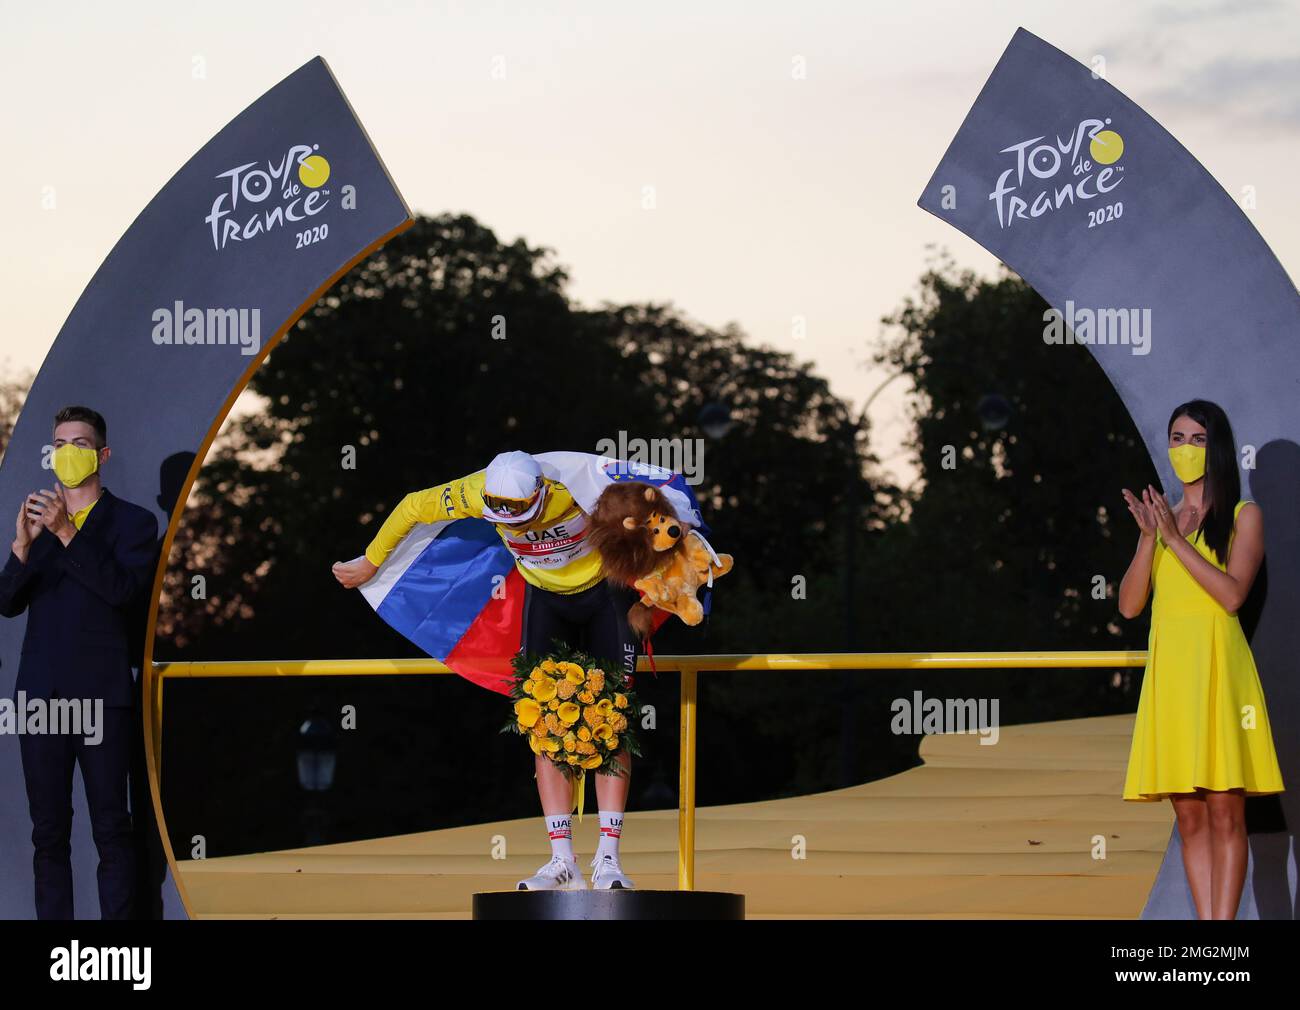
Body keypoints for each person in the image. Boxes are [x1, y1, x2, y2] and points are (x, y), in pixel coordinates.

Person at [333, 450, 691, 891]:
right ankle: (562, 861)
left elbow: (660, 486)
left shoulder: (576, 481)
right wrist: (371, 561)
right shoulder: (474, 491)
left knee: (611, 720)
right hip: (544, 599)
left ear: (540, 492)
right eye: (501, 512)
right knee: (543, 723)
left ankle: (609, 859)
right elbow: (411, 506)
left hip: (605, 595)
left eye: (520, 512)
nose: (512, 521)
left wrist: (690, 535)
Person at [1118, 399, 1284, 920]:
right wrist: (1150, 539)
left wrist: (1174, 539)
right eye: (1176, 438)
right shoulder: (1161, 519)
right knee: (1188, 820)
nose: (1184, 449)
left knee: (1225, 815)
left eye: (1196, 438)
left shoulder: (1243, 515)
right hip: (1172, 681)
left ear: (1217, 447)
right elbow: (1129, 605)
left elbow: (1232, 595)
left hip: (1220, 676)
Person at [0, 405, 159, 918]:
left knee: (112, 829)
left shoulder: (134, 522)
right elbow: (7, 603)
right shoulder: (39, 527)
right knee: (48, 834)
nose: (68, 453)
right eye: (61, 444)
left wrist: (68, 533)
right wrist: (23, 548)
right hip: (41, 701)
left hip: (102, 698)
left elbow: (121, 592)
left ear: (102, 454)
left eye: (81, 444)